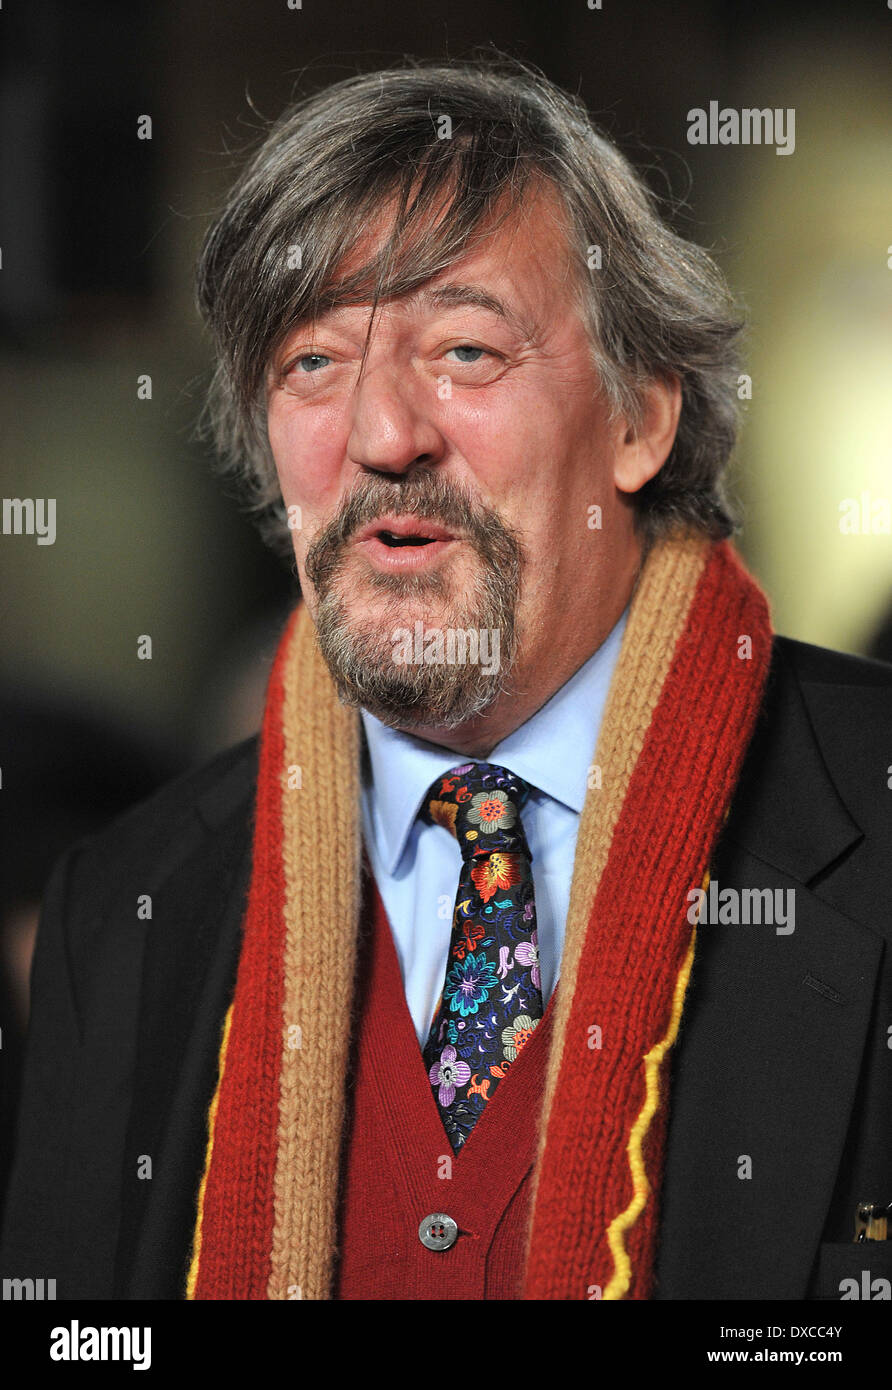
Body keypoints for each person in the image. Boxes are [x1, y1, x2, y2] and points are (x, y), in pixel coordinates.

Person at [2, 58, 890, 1302]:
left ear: (641, 416)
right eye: (312, 363)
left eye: (465, 350)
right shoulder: (121, 915)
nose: (380, 434)